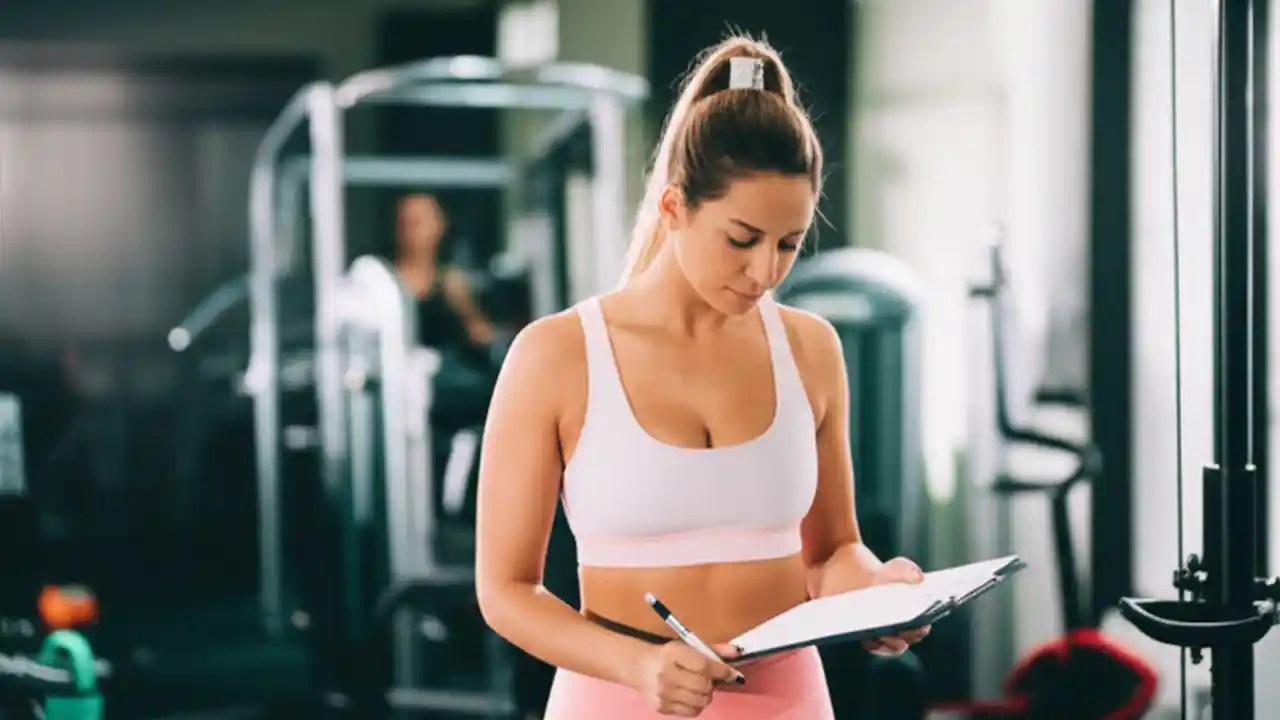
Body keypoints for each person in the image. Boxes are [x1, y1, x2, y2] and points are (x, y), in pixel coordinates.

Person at [475, 36, 929, 719]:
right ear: (674, 207)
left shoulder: (811, 349)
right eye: (742, 239)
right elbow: (506, 590)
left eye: (789, 242)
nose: (766, 271)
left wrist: (877, 593)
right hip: (618, 700)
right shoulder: (558, 354)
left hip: (787, 702)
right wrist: (640, 664)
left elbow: (832, 550)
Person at [393, 192, 496, 353]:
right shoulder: (385, 282)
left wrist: (463, 308)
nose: (411, 232)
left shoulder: (450, 281)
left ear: (439, 226)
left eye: (419, 223)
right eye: (405, 223)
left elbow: (481, 335)